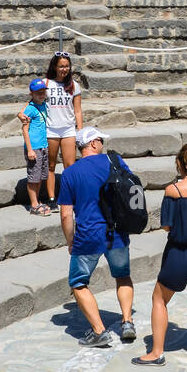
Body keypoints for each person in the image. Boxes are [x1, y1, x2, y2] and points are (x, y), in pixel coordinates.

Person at [132, 143, 187, 368]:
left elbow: (167, 227)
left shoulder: (174, 191)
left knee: (159, 299)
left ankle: (157, 353)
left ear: (179, 163)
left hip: (180, 253)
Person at [58, 126, 136, 348]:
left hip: (88, 234)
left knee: (78, 282)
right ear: (92, 144)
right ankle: (127, 322)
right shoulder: (116, 162)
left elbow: (65, 214)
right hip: (117, 233)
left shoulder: (71, 173)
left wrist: (70, 240)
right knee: (122, 276)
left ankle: (99, 331)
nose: (103, 143)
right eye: (101, 140)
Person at [44, 50, 88, 211]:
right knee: (51, 165)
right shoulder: (46, 83)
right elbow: (37, 104)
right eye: (61, 66)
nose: (64, 69)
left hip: (68, 129)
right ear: (55, 66)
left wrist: (80, 130)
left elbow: (77, 110)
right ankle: (51, 198)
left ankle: (69, 197)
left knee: (70, 165)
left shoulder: (74, 85)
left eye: (67, 66)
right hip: (51, 129)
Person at [17, 78, 51, 215]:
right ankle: (34, 204)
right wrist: (30, 149)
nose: (41, 95)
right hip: (34, 148)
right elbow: (25, 130)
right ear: (32, 94)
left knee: (40, 177)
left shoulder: (43, 105)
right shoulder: (30, 109)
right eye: (38, 93)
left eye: (43, 92)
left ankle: (37, 201)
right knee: (33, 178)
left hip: (43, 146)